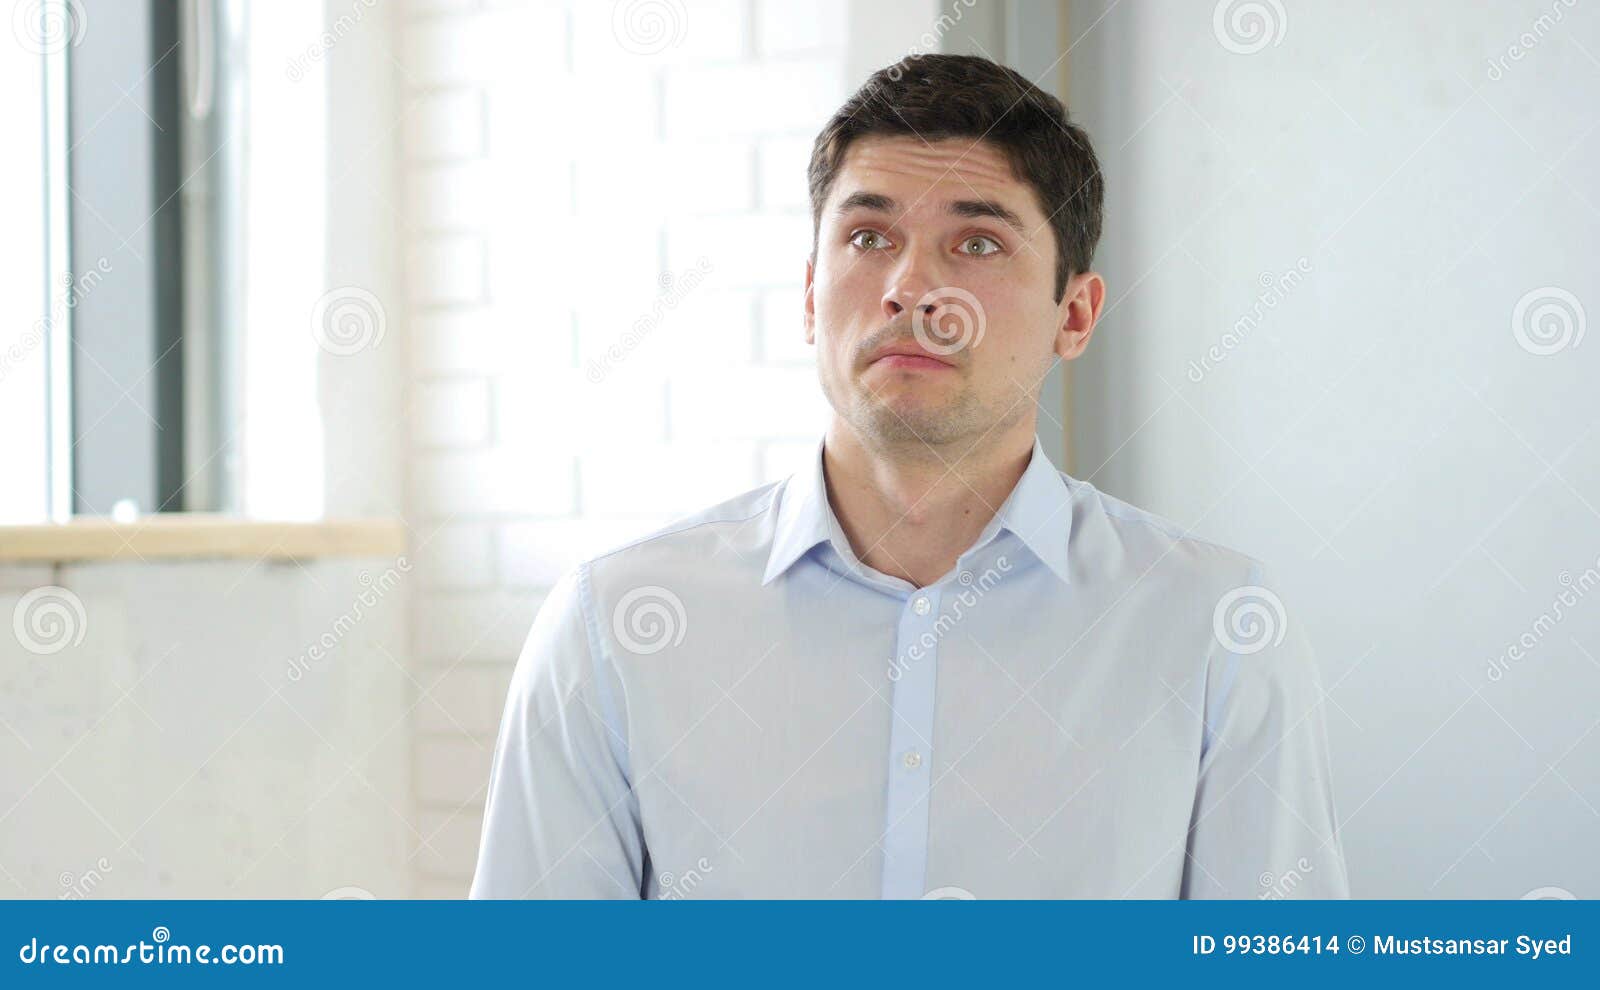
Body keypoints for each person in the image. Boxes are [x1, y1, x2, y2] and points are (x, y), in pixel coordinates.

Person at [470, 53, 1349, 899]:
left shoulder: (1218, 632)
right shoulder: (612, 630)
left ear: (1074, 314)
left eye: (977, 242)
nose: (911, 287)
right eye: (868, 236)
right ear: (812, 298)